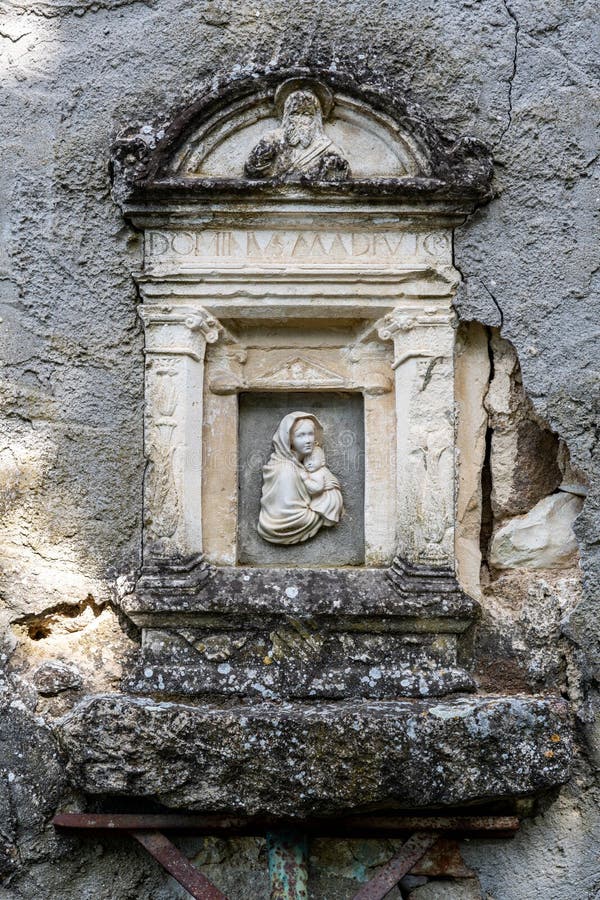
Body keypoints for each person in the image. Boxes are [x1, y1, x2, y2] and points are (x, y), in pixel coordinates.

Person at [257, 411, 343, 545]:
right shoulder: (286, 468)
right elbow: (287, 518)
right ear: (289, 440)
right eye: (301, 435)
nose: (308, 440)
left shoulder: (306, 466)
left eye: (310, 434)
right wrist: (324, 511)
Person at [301, 445, 343, 526]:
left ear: (323, 461)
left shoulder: (317, 473)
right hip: (332, 500)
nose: (309, 463)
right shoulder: (323, 470)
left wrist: (306, 480)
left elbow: (317, 488)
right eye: (305, 461)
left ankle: (324, 516)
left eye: (312, 459)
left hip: (327, 501)